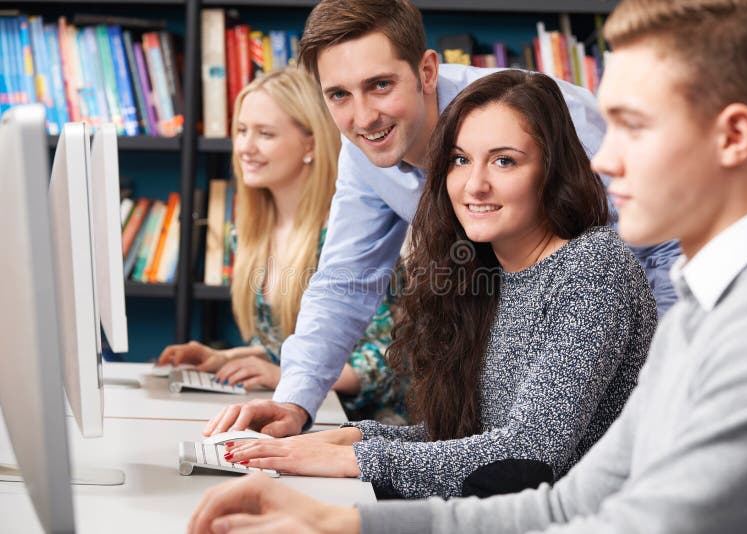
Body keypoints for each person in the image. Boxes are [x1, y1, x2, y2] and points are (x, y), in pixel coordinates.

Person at [187, 0, 747, 532]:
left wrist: (358, 477)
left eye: (632, 127)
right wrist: (337, 501)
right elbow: (565, 504)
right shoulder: (693, 310)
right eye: (456, 162)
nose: (605, 160)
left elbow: (610, 503)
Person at [203, 0, 681, 439]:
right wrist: (293, 402)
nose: (363, 117)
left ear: (426, 71)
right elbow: (344, 281)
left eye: (381, 85)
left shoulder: (539, 115)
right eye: (339, 95)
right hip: (497, 357)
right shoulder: (363, 153)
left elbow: (665, 243)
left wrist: (661, 387)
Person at [209, 70, 657, 500]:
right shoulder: (486, 272)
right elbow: (467, 439)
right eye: (461, 160)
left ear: (552, 170)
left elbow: (527, 454)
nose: (475, 184)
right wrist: (344, 437)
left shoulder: (595, 267)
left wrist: (356, 459)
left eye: (504, 161)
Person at [157, 68, 407, 424]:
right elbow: (299, 342)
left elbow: (388, 361)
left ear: (310, 144)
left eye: (265, 134)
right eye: (241, 131)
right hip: (305, 418)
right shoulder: (246, 233)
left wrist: (291, 383)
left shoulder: (350, 241)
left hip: (367, 432)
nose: (246, 147)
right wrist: (226, 358)